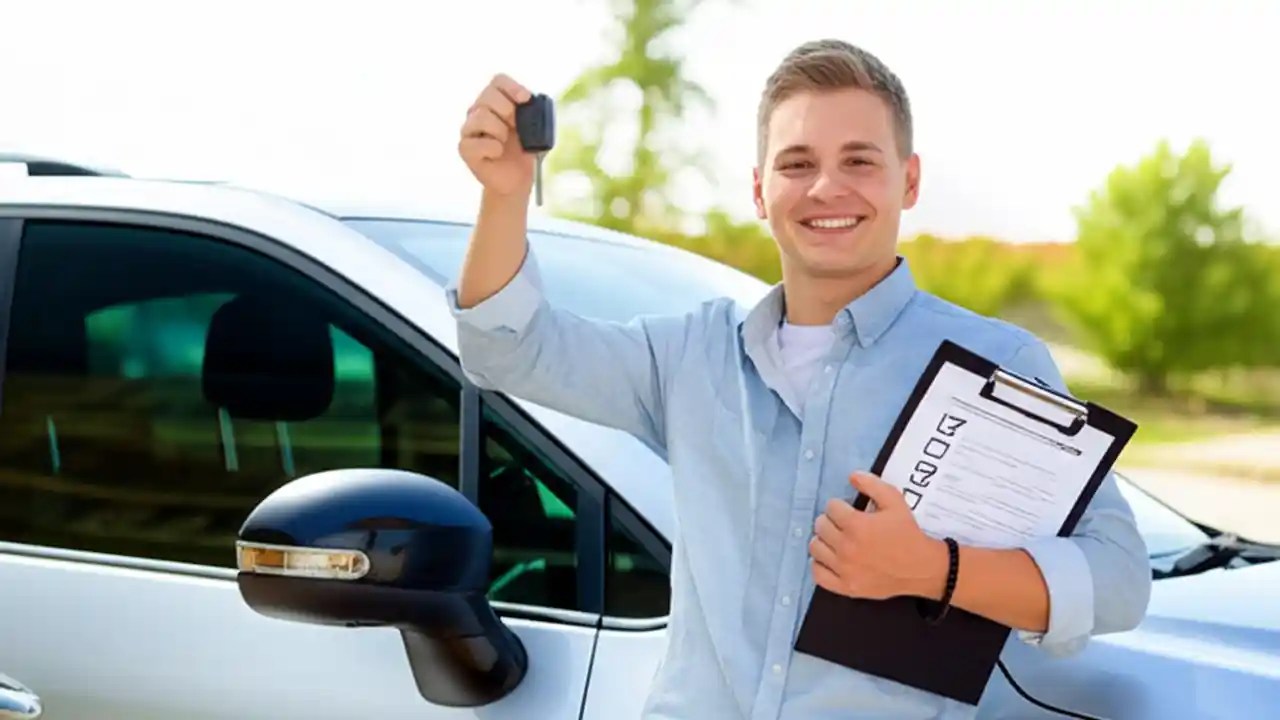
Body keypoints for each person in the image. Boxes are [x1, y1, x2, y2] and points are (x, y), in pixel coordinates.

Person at [451, 39, 1151, 720]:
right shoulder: (689, 354)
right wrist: (505, 196)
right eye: (796, 163)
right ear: (759, 191)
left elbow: (1118, 580)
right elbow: (509, 352)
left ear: (908, 181)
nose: (825, 188)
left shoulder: (998, 364)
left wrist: (933, 570)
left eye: (858, 160)